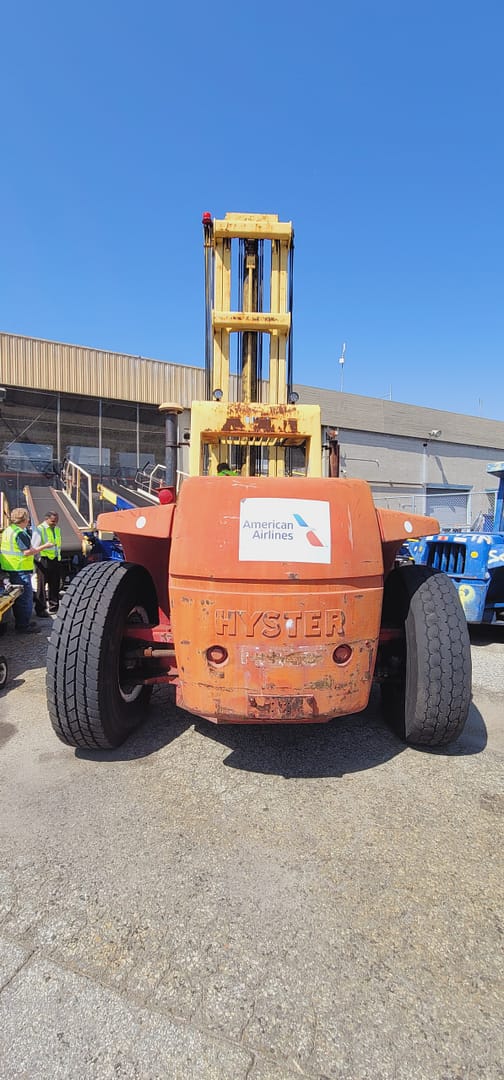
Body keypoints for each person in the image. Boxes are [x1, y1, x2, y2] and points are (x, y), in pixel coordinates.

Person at [0, 508, 52, 634]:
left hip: (10, 568)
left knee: (17, 598)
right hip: (20, 569)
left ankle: (22, 622)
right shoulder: (20, 533)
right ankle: (24, 626)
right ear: (25, 519)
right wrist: (45, 546)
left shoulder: (8, 530)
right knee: (25, 599)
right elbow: (27, 552)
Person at [32, 510, 62, 616]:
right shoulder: (40, 530)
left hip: (55, 560)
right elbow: (34, 547)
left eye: (56, 520)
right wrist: (38, 559)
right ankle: (40, 609)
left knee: (55, 584)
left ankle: (54, 606)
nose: (55, 523)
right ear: (47, 519)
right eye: (53, 521)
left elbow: (57, 545)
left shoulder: (57, 529)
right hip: (43, 560)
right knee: (41, 585)